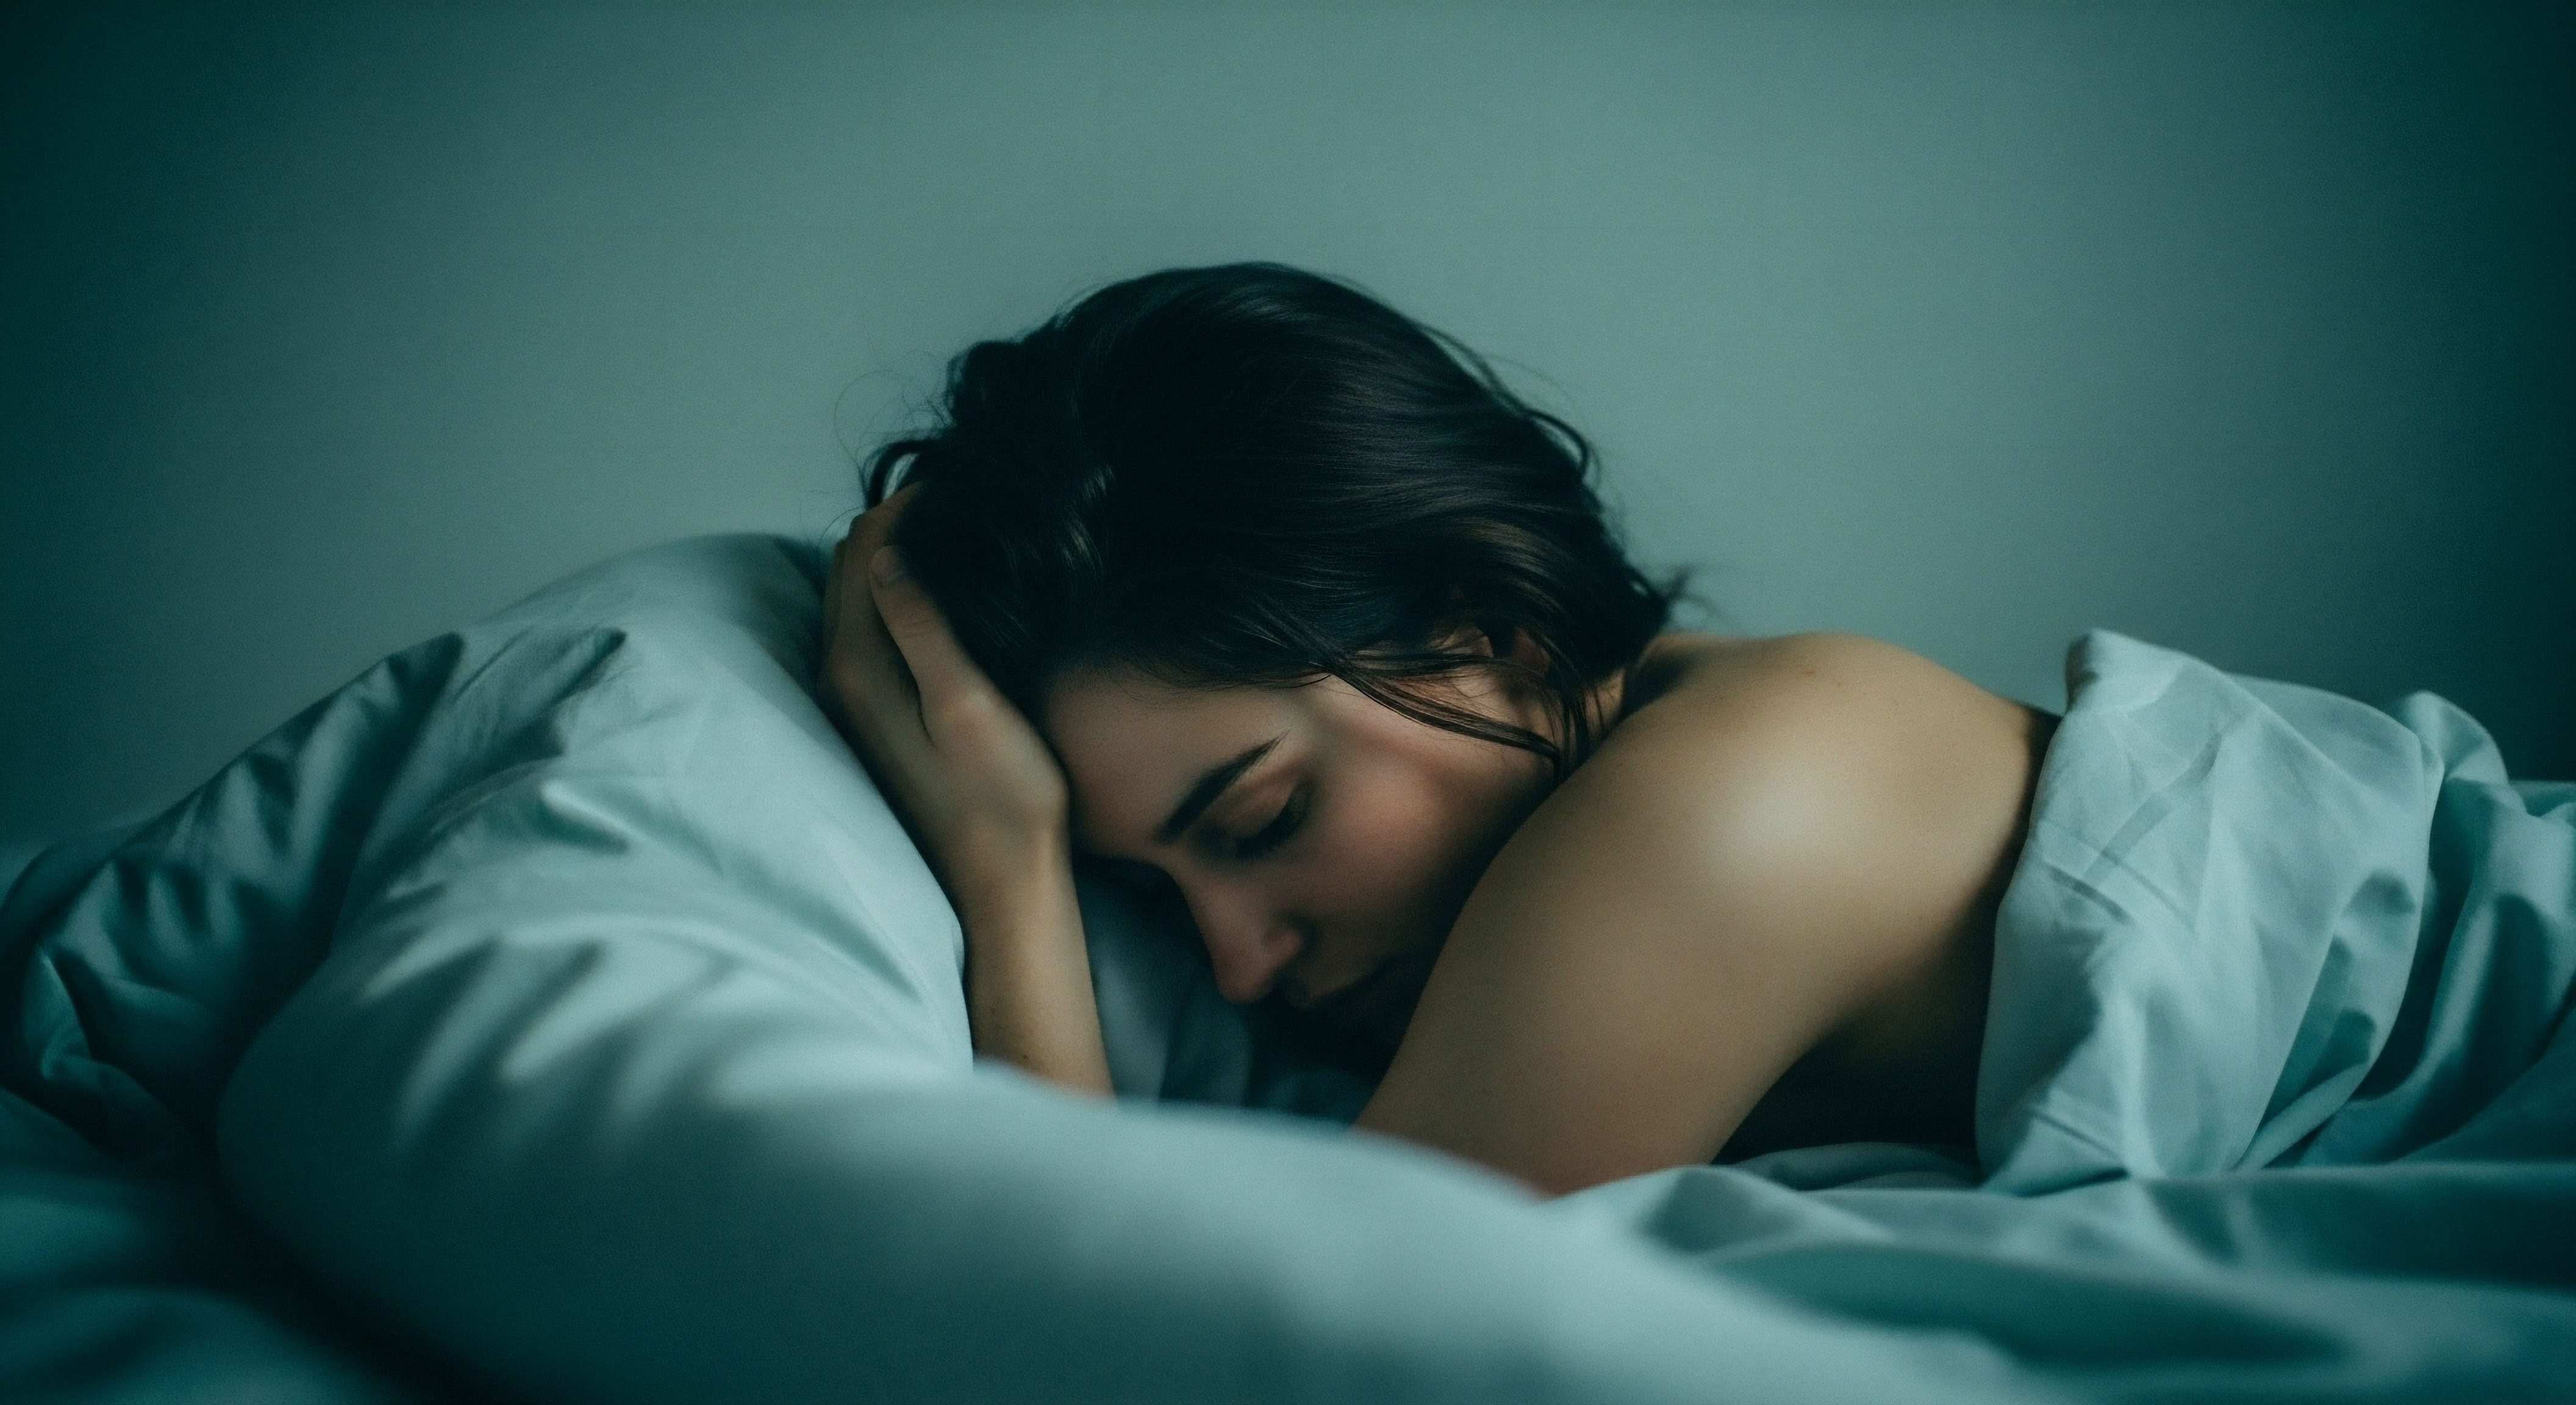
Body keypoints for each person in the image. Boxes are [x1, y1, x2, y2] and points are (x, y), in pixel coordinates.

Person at [818, 263, 2052, 1196]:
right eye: (1146, 891)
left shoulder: (1722, 812)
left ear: (1490, 632)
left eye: (1264, 818)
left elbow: (1196, 1361)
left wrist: (1009, 876)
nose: (1242, 967)